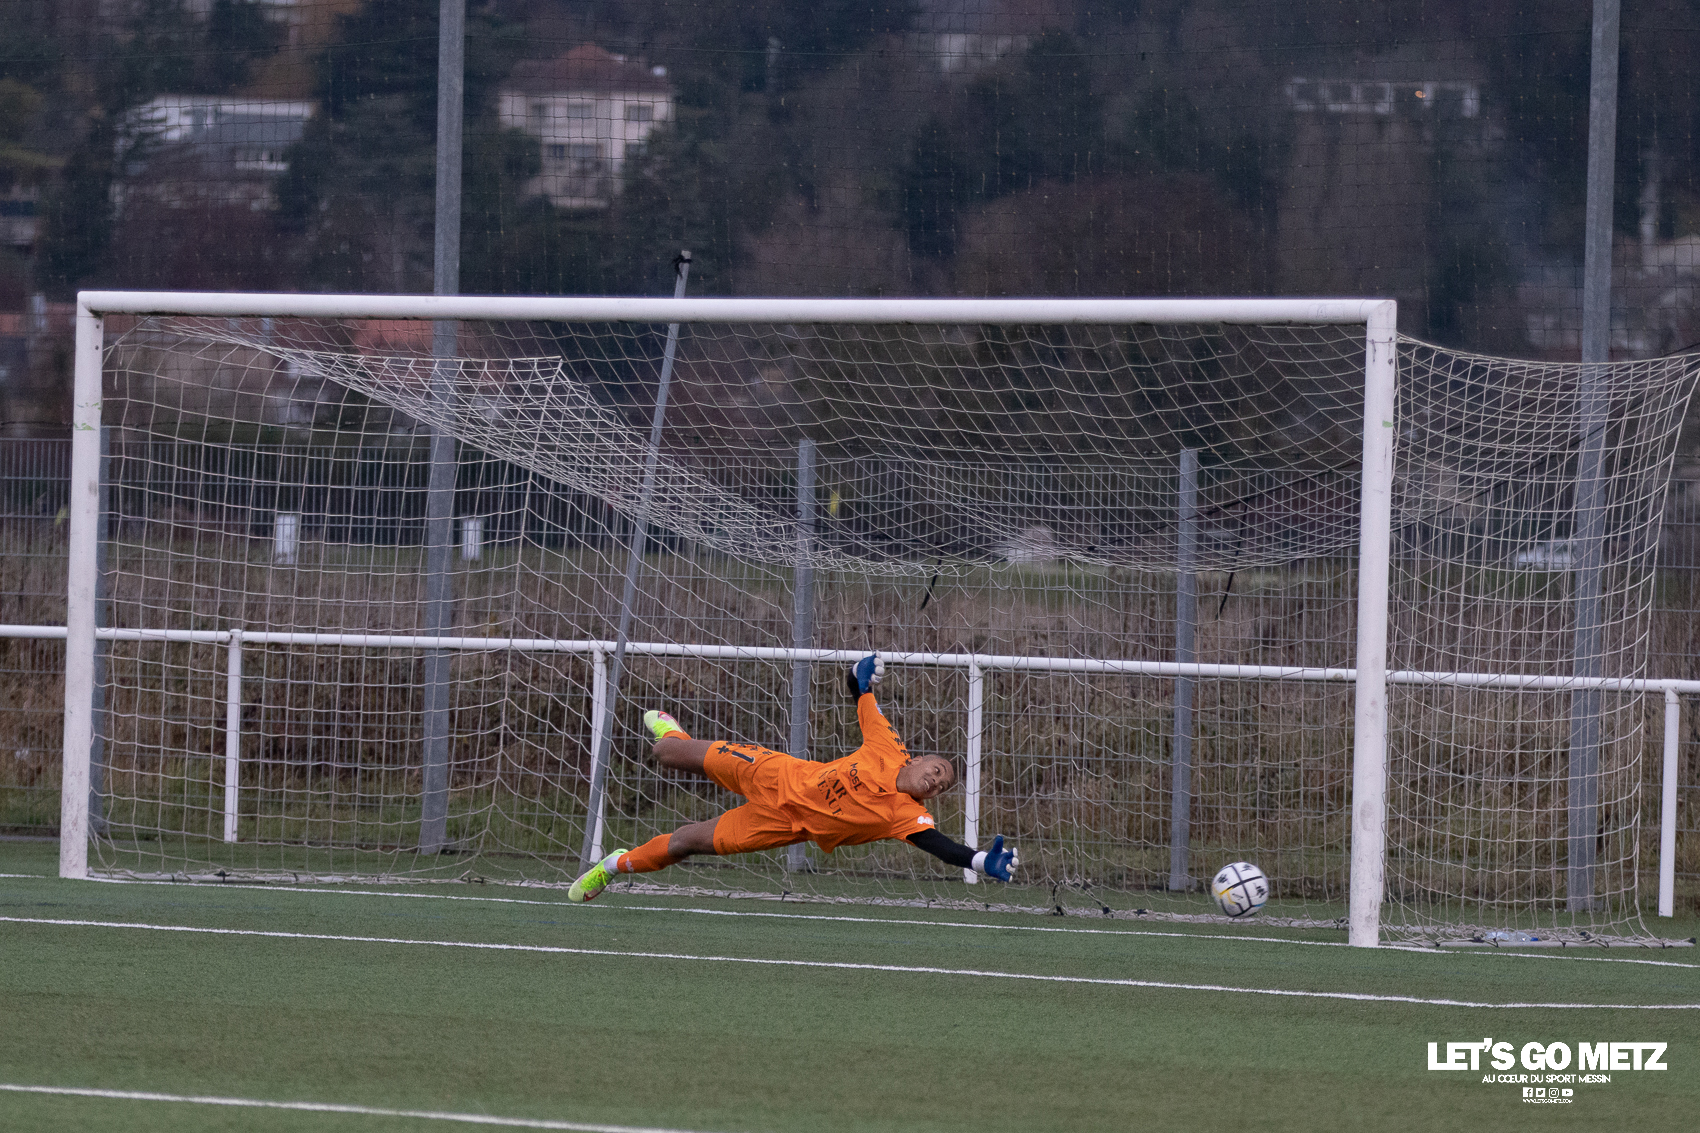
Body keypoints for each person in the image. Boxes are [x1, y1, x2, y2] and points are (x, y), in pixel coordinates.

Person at [568, 653, 1017, 901]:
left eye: (942, 786)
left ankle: (610, 866)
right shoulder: (888, 747)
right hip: (773, 773)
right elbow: (860, 691)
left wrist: (978, 861)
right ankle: (675, 733)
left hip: (783, 826)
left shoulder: (906, 816)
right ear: (917, 760)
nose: (937, 782)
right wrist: (862, 670)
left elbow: (941, 847)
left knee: (686, 841)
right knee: (665, 752)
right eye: (937, 770)